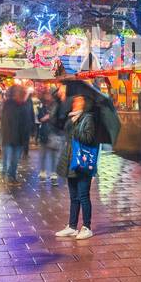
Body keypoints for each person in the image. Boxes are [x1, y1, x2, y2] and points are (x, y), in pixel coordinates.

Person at [56, 93, 100, 240]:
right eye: (74, 100)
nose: (75, 103)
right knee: (73, 197)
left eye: (79, 100)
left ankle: (87, 227)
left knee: (83, 196)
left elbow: (89, 139)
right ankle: (72, 226)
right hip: (71, 162)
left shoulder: (89, 118)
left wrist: (75, 129)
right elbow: (66, 134)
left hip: (82, 162)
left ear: (85, 103)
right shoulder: (73, 117)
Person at [0, 84, 33, 181]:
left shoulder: (25, 105)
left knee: (15, 159)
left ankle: (11, 175)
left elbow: (27, 121)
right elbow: (8, 121)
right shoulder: (9, 104)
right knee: (10, 157)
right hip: (10, 137)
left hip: (19, 138)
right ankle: (6, 171)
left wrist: (28, 134)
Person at [36, 85, 66, 184]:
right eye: (47, 94)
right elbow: (40, 118)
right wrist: (47, 117)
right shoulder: (42, 105)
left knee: (54, 156)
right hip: (45, 133)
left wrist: (49, 117)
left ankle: (53, 174)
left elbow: (61, 119)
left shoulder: (58, 105)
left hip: (55, 133)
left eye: (50, 94)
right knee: (43, 155)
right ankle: (43, 173)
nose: (48, 96)